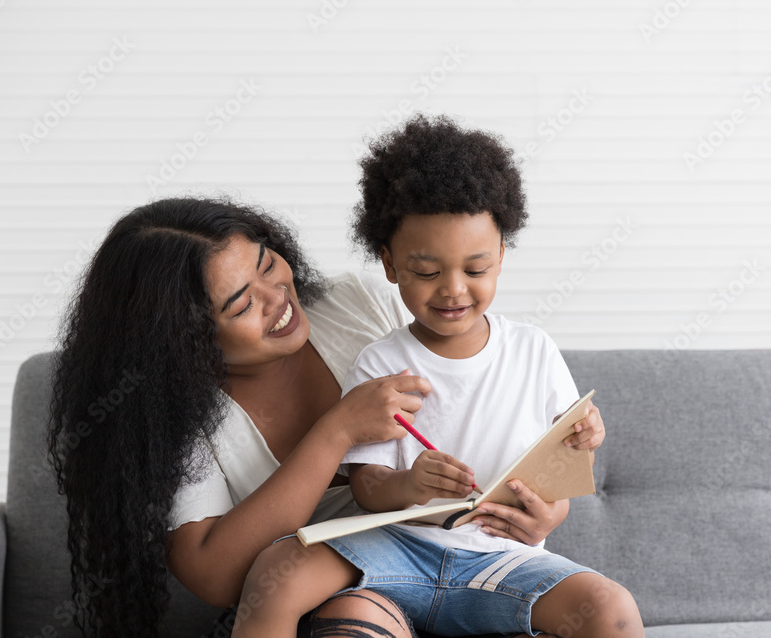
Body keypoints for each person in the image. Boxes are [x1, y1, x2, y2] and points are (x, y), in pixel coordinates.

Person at [47, 196, 593, 637]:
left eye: (268, 265)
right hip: (319, 599)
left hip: (453, 562)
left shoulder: (354, 304)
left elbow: (484, 411)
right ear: (184, 339)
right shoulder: (178, 416)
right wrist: (337, 431)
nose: (277, 298)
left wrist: (538, 511)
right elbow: (214, 576)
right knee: (351, 619)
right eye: (242, 304)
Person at [232, 115, 642, 638]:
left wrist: (566, 478)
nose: (453, 289)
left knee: (613, 608)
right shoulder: (379, 362)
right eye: (426, 272)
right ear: (389, 264)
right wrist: (409, 485)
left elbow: (560, 472)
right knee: (277, 573)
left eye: (475, 269)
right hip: (398, 549)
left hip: (501, 557)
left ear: (501, 257)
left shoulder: (534, 350)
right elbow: (367, 489)